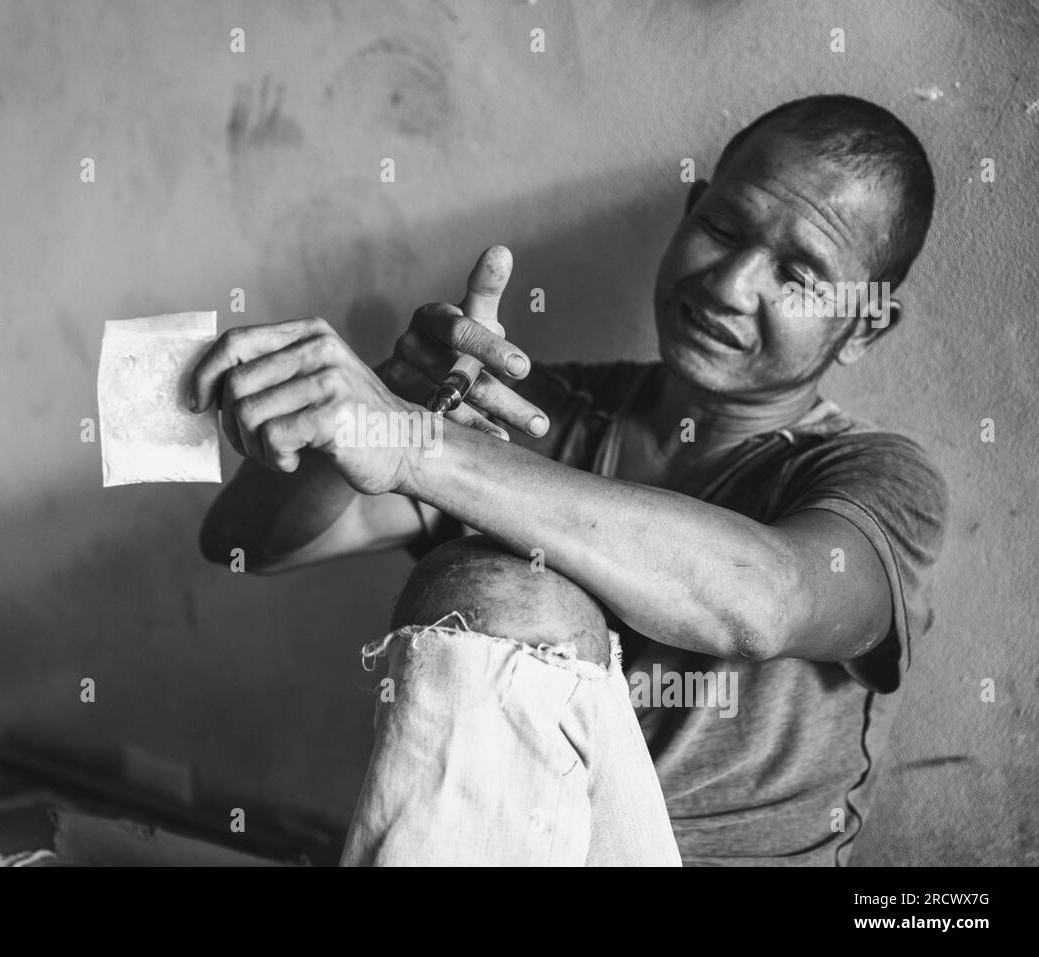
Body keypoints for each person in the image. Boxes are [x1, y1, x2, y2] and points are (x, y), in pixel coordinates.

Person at [193, 94, 948, 866]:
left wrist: (418, 449)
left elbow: (764, 600)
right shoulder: (538, 411)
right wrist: (373, 411)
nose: (731, 284)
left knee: (503, 587)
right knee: (486, 580)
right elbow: (246, 542)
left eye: (800, 275)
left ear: (864, 324)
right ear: (691, 214)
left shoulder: (878, 476)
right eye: (722, 228)